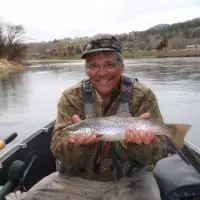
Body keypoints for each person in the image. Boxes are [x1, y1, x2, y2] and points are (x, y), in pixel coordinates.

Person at [20, 34, 168, 200]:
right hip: (77, 180)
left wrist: (141, 144)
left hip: (132, 180)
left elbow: (159, 152)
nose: (102, 73)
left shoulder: (142, 95)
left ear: (121, 66)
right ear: (86, 70)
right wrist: (76, 146)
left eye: (109, 65)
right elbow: (58, 149)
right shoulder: (71, 97)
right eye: (94, 66)